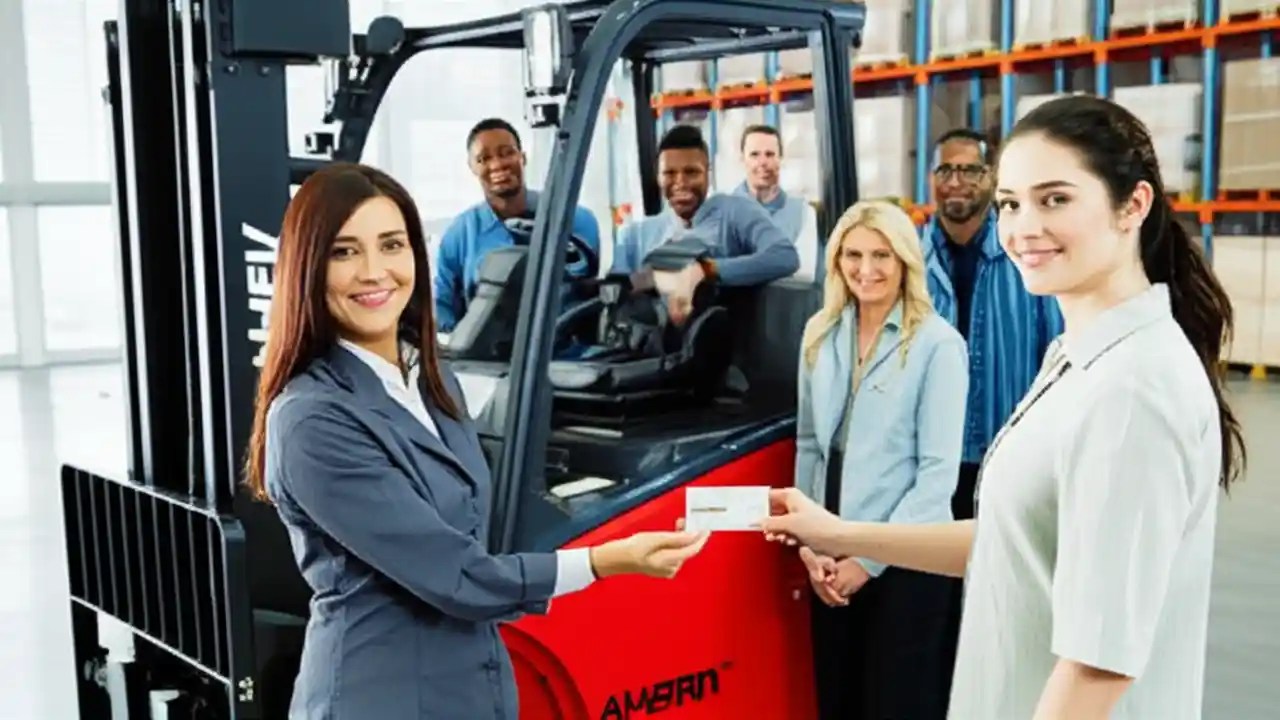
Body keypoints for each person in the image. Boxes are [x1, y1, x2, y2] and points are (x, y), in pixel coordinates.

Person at [762, 95, 1246, 720]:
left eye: (1056, 199)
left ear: (1134, 205)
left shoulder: (1132, 391)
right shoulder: (1077, 359)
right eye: (1012, 204)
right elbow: (1013, 541)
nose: (1023, 228)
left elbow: (1097, 663)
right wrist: (836, 533)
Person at [242, 162, 709, 720]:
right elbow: (457, 573)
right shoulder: (311, 419)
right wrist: (607, 560)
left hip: (471, 686)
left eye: (391, 245)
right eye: (345, 252)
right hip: (379, 697)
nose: (375, 271)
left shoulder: (435, 382)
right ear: (308, 268)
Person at [794, 200, 967, 719]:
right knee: (837, 701)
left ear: (905, 263)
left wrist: (865, 562)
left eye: (881, 256)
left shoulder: (938, 345)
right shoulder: (820, 333)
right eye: (852, 254)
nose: (865, 269)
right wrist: (811, 544)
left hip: (907, 561)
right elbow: (808, 445)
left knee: (898, 706)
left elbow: (937, 478)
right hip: (830, 561)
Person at [923, 127, 1064, 522]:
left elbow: (1056, 357)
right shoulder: (911, 260)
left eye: (971, 171)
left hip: (1009, 455)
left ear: (992, 179)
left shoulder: (1027, 258)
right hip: (931, 460)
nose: (956, 183)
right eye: (946, 171)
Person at [610, 124, 800, 324]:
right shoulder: (635, 236)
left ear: (708, 173)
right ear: (658, 176)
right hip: (647, 349)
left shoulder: (733, 213)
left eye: (691, 172)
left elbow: (785, 256)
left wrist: (703, 270)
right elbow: (612, 295)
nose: (680, 182)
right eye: (669, 173)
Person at [434, 117, 602, 332]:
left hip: (567, 356)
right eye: (484, 158)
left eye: (507, 153)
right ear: (472, 167)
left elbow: (592, 295)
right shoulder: (458, 235)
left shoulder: (577, 220)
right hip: (487, 359)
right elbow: (442, 307)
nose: (497, 164)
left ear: (522, 157)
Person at [733, 123, 819, 278]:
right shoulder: (722, 211)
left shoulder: (802, 213)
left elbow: (803, 276)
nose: (763, 162)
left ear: (781, 159)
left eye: (770, 154)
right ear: (742, 159)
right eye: (754, 154)